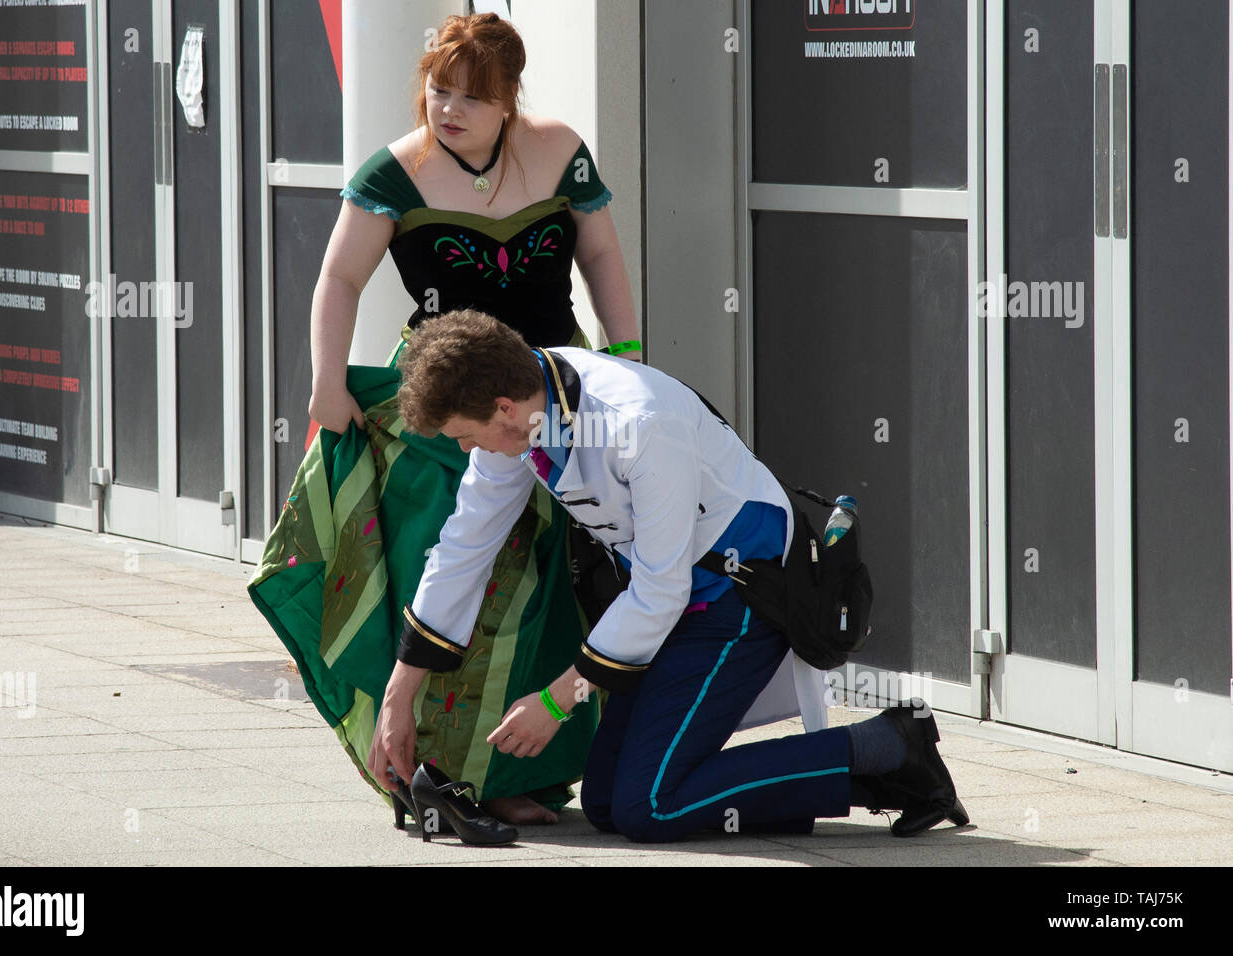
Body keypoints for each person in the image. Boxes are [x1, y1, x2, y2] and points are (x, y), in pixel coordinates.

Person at [247, 12, 641, 827]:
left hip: (548, 396)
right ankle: (428, 766)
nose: (449, 108)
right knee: (442, 566)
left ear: (508, 101)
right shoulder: (395, 169)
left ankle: (513, 771)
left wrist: (628, 356)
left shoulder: (560, 149)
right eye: (438, 90)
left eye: (471, 96)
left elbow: (601, 255)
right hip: (438, 406)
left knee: (538, 582)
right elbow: (338, 279)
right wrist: (326, 380)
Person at [377, 309, 970, 842]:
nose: (467, 450)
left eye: (463, 436)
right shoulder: (527, 410)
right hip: (673, 599)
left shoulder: (637, 421)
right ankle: (871, 772)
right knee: (609, 804)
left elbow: (662, 590)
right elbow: (464, 546)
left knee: (650, 806)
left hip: (740, 594)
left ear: (503, 409)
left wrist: (557, 704)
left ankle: (891, 748)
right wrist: (399, 696)